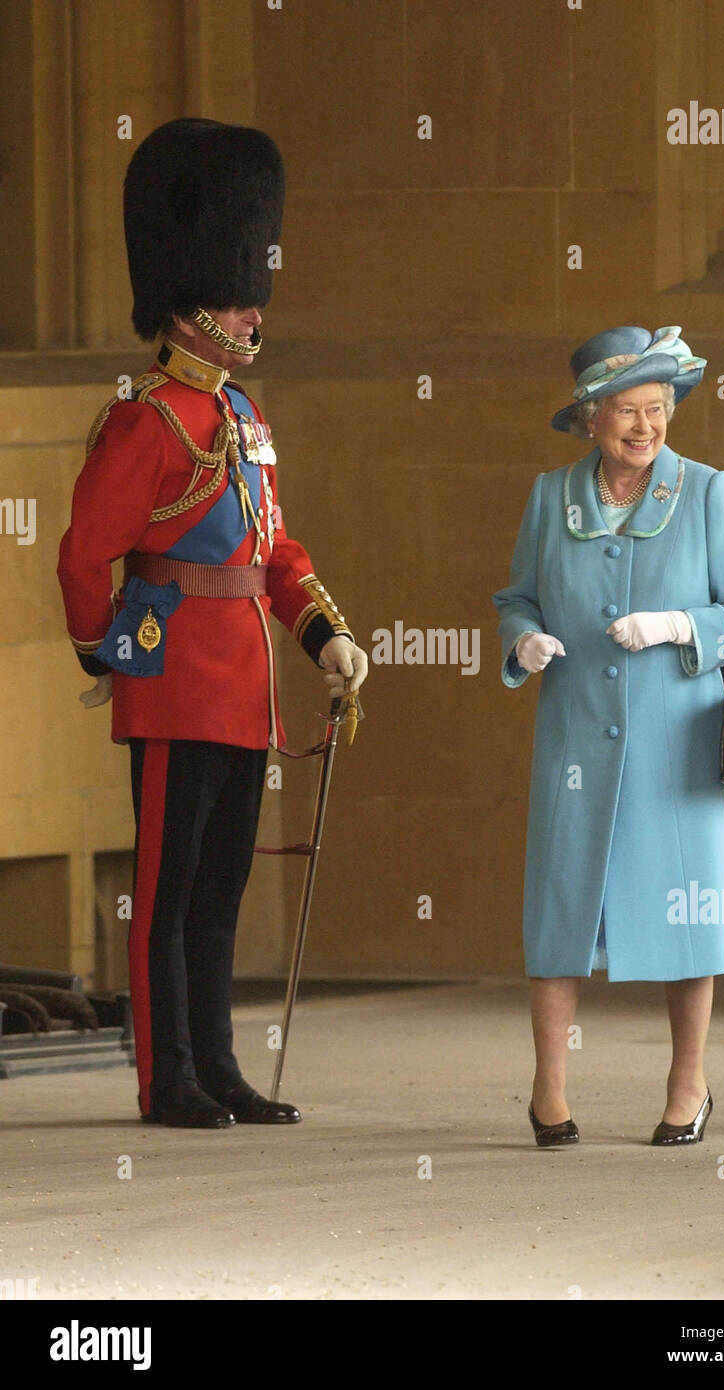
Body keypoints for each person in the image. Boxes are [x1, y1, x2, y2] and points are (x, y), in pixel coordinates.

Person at [58, 119, 368, 1129]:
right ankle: (167, 1076)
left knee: (221, 888)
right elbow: (82, 554)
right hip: (170, 680)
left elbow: (275, 555)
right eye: (236, 289)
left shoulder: (244, 422)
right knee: (165, 890)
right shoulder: (145, 422)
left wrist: (326, 639)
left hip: (243, 689)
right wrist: (106, 652)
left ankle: (220, 1064)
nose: (252, 305)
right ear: (189, 302)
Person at [492, 326, 724, 1148]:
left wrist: (676, 624)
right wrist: (523, 640)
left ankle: (688, 1083)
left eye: (658, 408)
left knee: (686, 917)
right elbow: (516, 597)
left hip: (675, 740)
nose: (646, 426)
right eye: (627, 410)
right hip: (576, 737)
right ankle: (549, 1093)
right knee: (560, 912)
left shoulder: (710, 491)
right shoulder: (552, 496)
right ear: (590, 417)